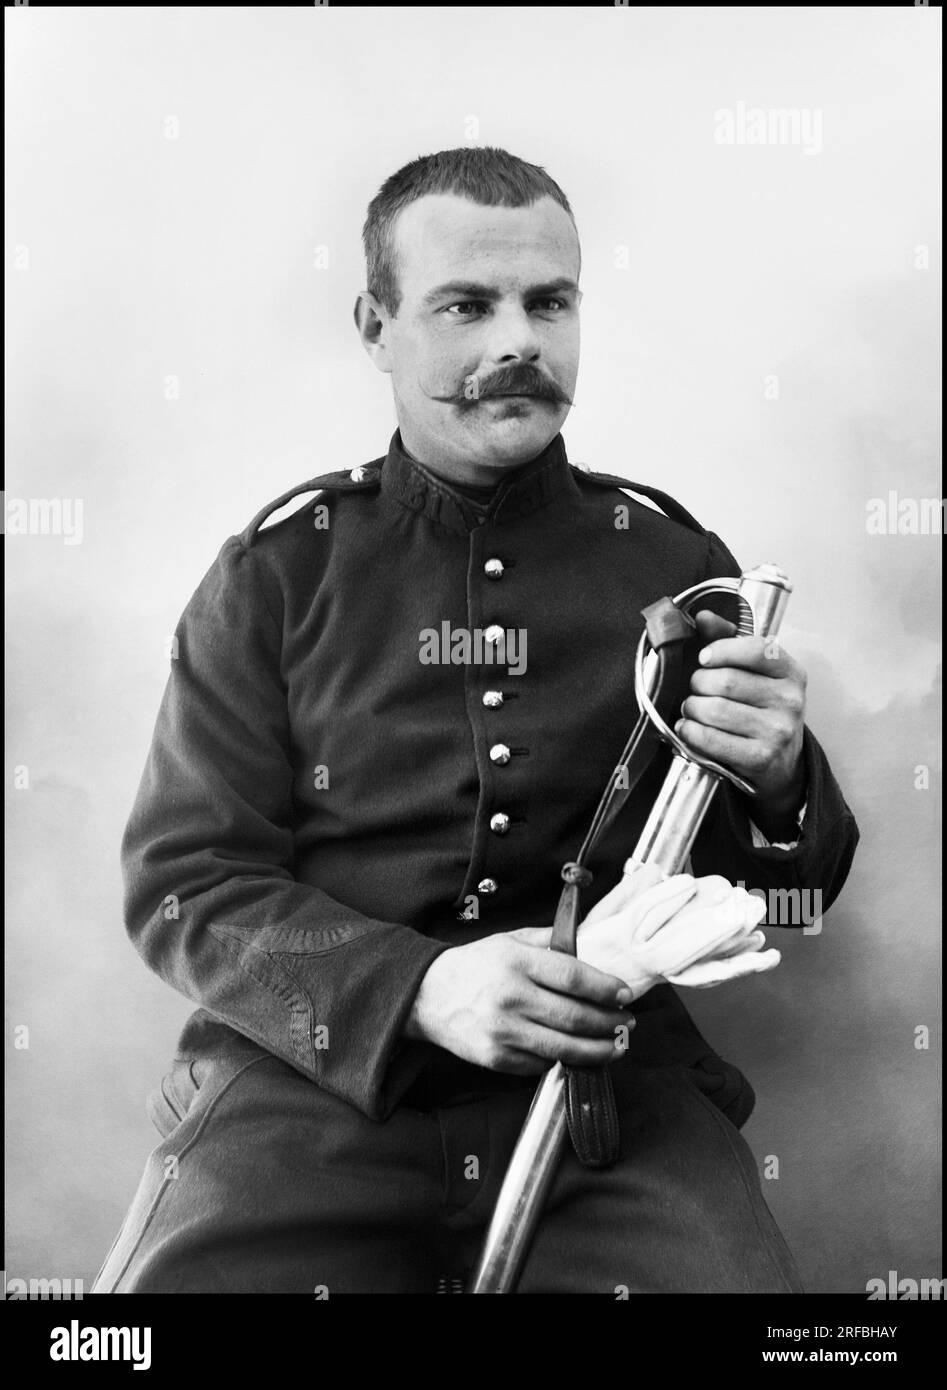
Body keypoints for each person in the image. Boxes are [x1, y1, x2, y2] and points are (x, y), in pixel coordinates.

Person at [93, 147, 859, 1295]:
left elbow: (781, 894)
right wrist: (417, 989)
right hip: (314, 1094)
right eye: (465, 305)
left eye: (548, 303)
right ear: (375, 325)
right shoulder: (275, 572)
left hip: (609, 1097)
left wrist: (780, 776)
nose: (520, 342)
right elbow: (184, 885)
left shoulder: (673, 561)